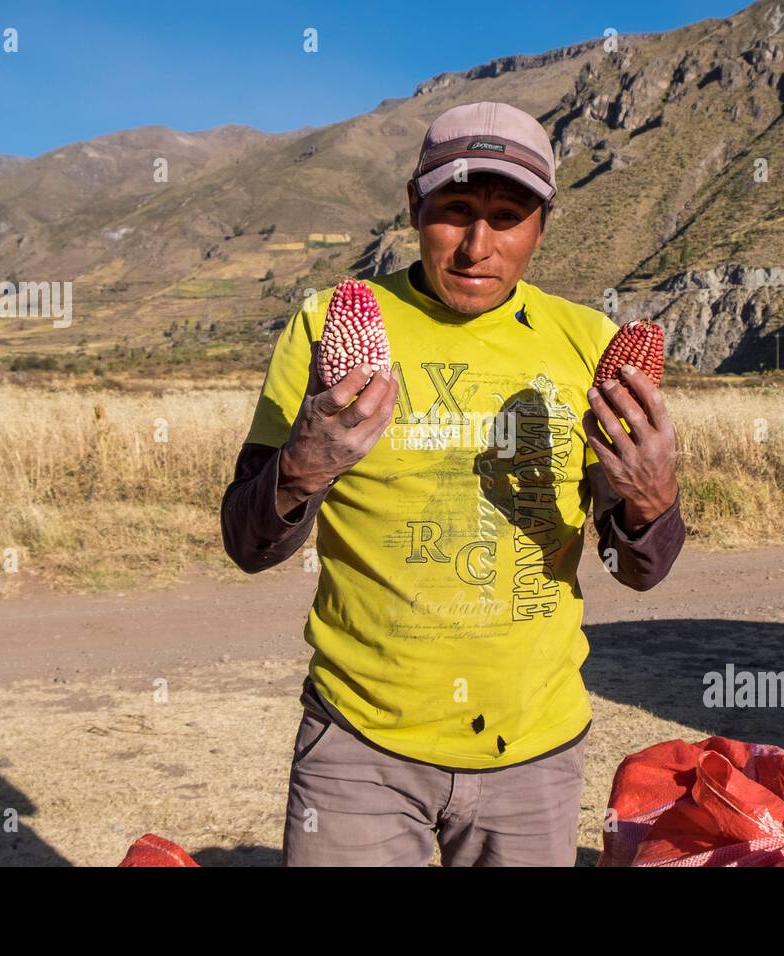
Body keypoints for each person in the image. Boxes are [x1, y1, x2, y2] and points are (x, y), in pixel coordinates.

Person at [221, 100, 685, 866]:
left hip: (533, 748)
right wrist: (301, 466)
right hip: (359, 745)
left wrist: (651, 498)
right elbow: (248, 543)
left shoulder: (587, 344)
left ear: (543, 224)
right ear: (414, 205)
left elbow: (638, 570)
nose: (478, 245)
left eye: (507, 217)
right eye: (456, 211)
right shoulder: (333, 326)